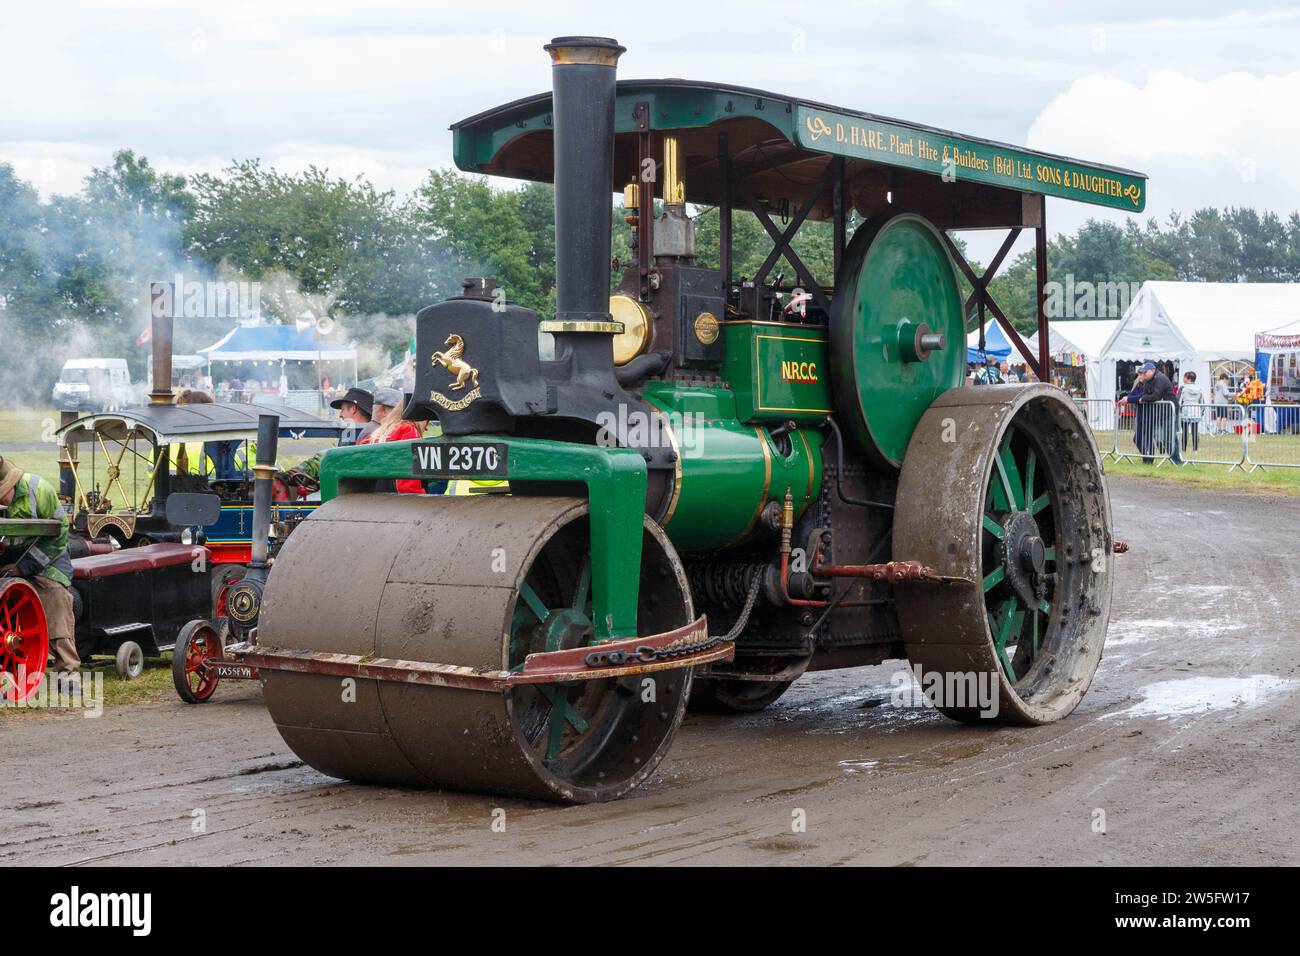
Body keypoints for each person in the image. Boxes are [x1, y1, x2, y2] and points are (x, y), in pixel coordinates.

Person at [0, 456, 79, 692]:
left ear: (13, 484)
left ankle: (68, 673)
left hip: (48, 561)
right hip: (7, 559)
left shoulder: (39, 489)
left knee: (55, 598)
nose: (1, 499)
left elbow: (60, 535)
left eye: (2, 493)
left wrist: (24, 569)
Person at [1136, 360, 1182, 464]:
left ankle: (1176, 461)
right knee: (1159, 436)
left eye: (1145, 372)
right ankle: (1174, 459)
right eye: (1142, 372)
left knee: (1169, 437)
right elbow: (1145, 394)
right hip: (1159, 412)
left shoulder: (1160, 378)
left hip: (1169, 412)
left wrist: (1143, 398)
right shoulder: (1148, 380)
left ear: (1152, 370)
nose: (1143, 374)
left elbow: (1155, 396)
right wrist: (1143, 396)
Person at [1179, 370, 1205, 454]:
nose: (1184, 379)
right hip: (1196, 410)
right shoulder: (1199, 389)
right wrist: (1201, 411)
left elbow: (1179, 401)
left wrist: (1179, 411)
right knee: (1195, 431)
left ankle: (1183, 450)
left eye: (1185, 377)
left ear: (1188, 379)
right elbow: (1202, 402)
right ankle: (1195, 450)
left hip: (1185, 410)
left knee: (1185, 432)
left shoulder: (1183, 388)